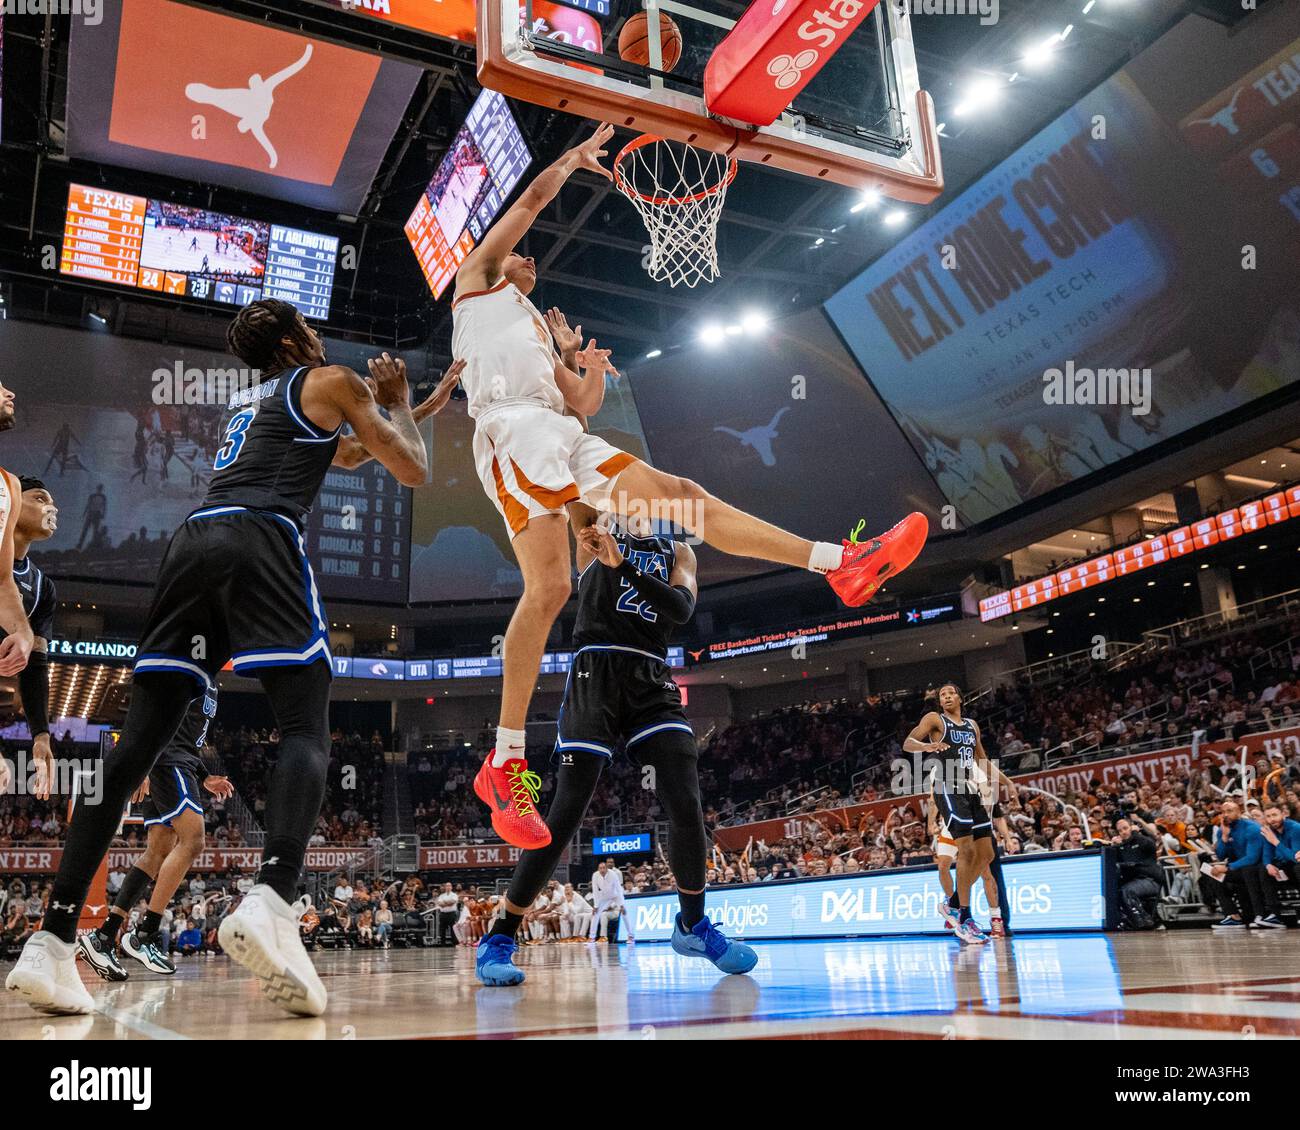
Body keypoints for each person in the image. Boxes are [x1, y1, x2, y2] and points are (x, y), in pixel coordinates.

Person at [453, 123, 929, 852]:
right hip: (513, 433)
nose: (526, 255)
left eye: (526, 254)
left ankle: (506, 759)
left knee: (549, 591)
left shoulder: (535, 332)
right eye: (519, 251)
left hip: (548, 433)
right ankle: (839, 563)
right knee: (673, 502)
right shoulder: (477, 282)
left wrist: (582, 365)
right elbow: (529, 201)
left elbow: (577, 406)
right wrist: (570, 161)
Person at [5, 298, 440, 1018]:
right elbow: (412, 468)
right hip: (261, 536)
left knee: (134, 750)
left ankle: (49, 946)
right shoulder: (332, 380)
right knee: (305, 718)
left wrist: (408, 406)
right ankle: (272, 897)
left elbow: (353, 448)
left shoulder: (252, 404)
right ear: (301, 337)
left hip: (192, 545)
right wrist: (399, 402)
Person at [475, 516, 755, 985]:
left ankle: (692, 926)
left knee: (686, 800)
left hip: (651, 676)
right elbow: (575, 493)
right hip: (595, 671)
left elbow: (681, 610)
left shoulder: (679, 553)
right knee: (565, 813)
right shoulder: (592, 533)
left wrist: (623, 564)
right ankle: (500, 936)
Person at [77, 694, 233, 981]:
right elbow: (148, 710)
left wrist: (205, 775)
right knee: (194, 841)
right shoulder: (189, 658)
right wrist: (142, 763)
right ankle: (145, 934)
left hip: (177, 761)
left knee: (158, 850)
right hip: (167, 762)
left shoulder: (210, 678)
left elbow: (186, 736)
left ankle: (104, 936)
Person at [904, 683, 990, 944]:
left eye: (951, 693)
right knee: (967, 851)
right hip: (945, 785)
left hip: (969, 788)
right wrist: (927, 748)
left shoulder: (972, 726)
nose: (947, 696)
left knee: (987, 853)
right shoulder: (934, 720)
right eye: (942, 694)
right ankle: (965, 919)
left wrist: (998, 785)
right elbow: (908, 743)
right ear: (940, 702)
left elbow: (982, 760)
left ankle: (952, 903)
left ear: (960, 698)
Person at [11, 477, 58, 800]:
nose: (52, 508)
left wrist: (41, 734)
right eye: (40, 498)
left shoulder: (42, 587)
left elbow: (35, 666)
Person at [1207, 799, 1269, 930]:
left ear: (1239, 812)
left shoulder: (1252, 828)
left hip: (1256, 869)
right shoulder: (1222, 830)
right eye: (1223, 812)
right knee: (1209, 873)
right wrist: (1224, 837)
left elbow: (1252, 858)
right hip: (1237, 870)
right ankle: (1233, 916)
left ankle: (1259, 914)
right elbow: (1221, 855)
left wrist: (1228, 868)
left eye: (1229, 811)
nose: (1225, 815)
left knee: (1247, 870)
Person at [1112, 818, 1163, 930]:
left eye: (1125, 828)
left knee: (1127, 890)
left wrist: (1136, 833)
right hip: (1133, 881)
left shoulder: (1142, 840)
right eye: (1120, 831)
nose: (1123, 832)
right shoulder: (1122, 847)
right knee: (1116, 890)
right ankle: (1130, 921)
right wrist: (1113, 846)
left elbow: (1151, 845)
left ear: (1132, 827)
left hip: (1150, 880)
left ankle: (1144, 921)